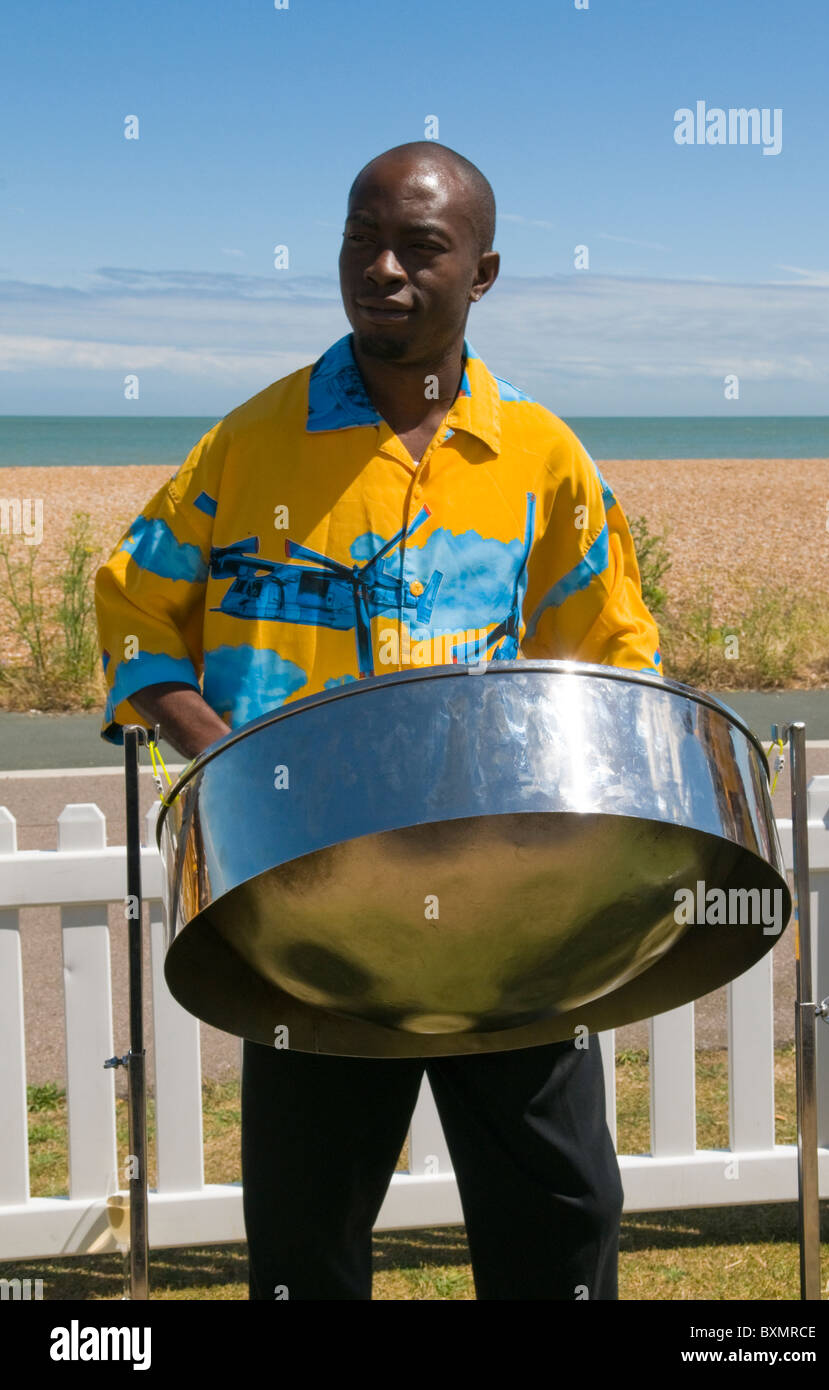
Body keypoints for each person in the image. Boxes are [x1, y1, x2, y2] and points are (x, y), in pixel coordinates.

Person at [95, 141, 663, 1300]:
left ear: (483, 272)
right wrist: (226, 757)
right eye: (362, 238)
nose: (383, 268)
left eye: (420, 245)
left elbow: (611, 658)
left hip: (510, 907)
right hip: (313, 906)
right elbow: (131, 609)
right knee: (307, 1229)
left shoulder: (541, 460)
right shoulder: (249, 446)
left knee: (561, 1208)